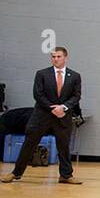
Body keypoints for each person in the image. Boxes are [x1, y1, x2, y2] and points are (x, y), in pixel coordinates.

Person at [1, 47, 83, 185]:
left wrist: (63, 107)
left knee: (63, 146)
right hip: (41, 115)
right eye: (53, 57)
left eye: (58, 56)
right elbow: (38, 94)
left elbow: (76, 96)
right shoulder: (42, 74)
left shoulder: (74, 76)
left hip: (63, 116)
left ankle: (66, 175)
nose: (55, 59)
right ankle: (16, 173)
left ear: (65, 58)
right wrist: (53, 107)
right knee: (29, 143)